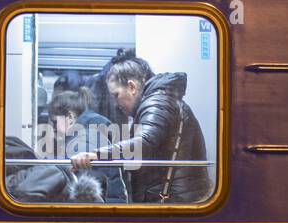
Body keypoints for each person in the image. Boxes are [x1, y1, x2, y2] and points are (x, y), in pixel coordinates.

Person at [70, 50, 211, 204]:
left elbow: (144, 141)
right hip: (176, 199)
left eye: (117, 95)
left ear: (131, 87)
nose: (117, 105)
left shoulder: (158, 103)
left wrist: (97, 155)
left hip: (174, 202)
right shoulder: (161, 102)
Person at [48, 88, 127, 203]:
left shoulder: (83, 142)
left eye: (55, 122)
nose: (52, 128)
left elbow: (86, 196)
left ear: (70, 117)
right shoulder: (89, 135)